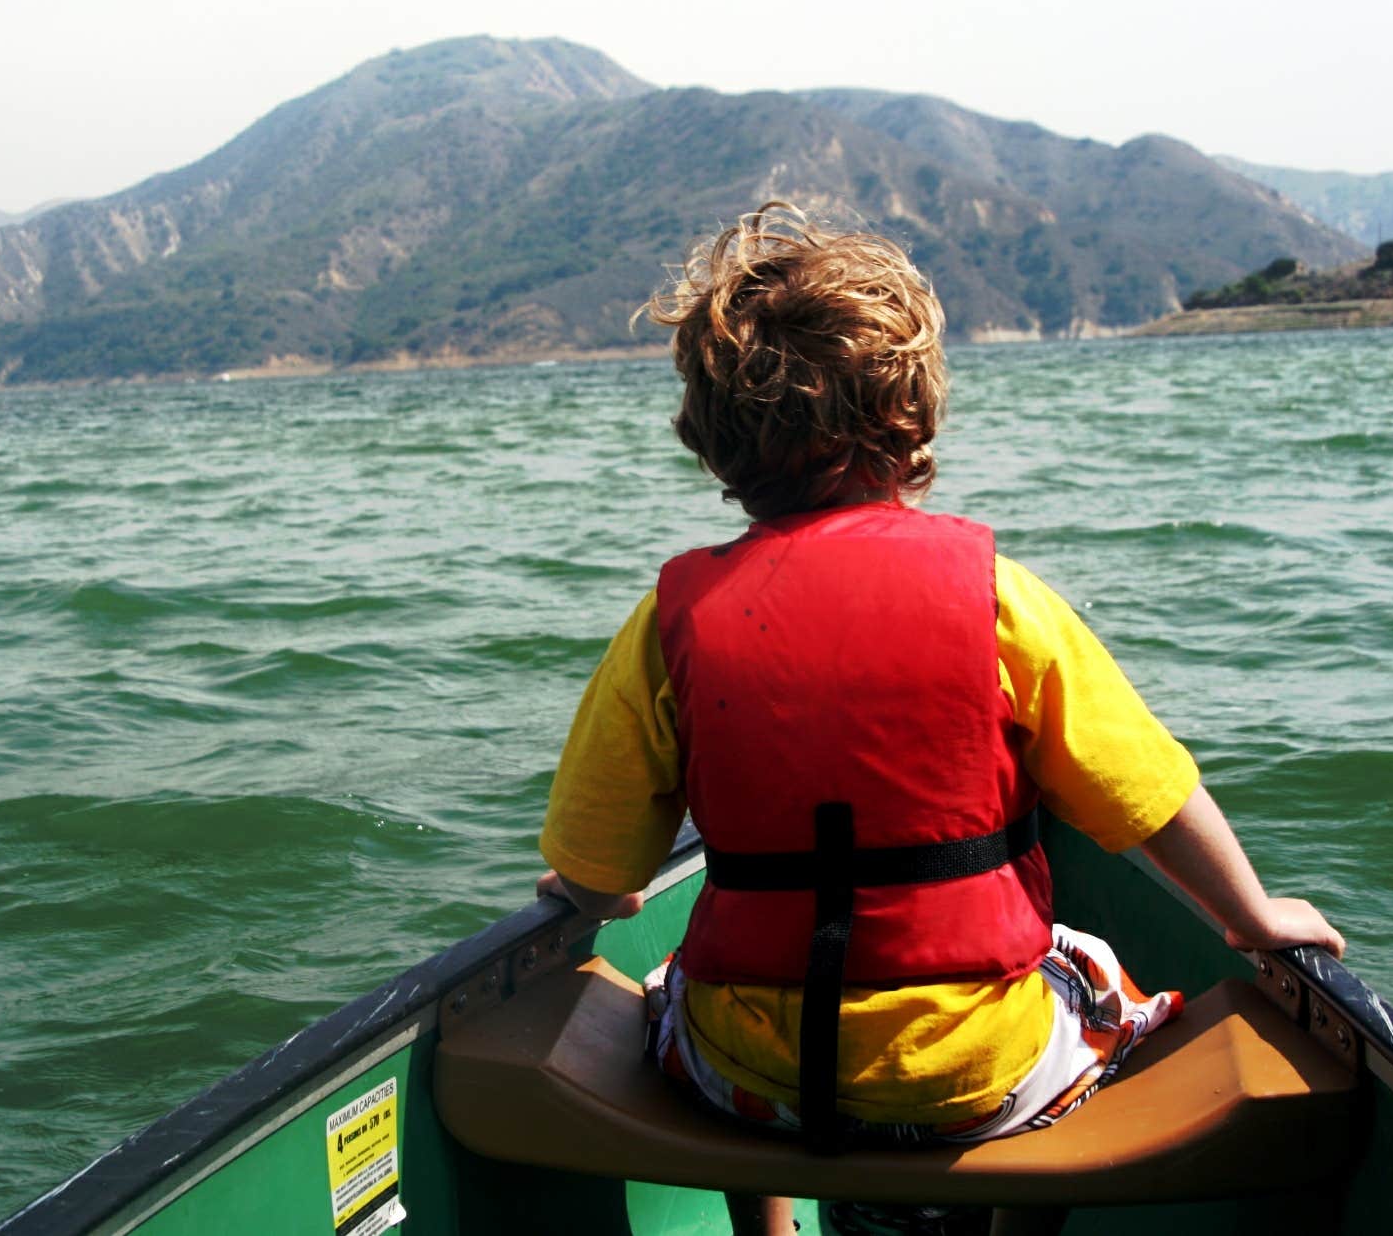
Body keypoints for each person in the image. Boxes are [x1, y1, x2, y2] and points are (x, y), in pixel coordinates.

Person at [537, 204, 1343, 1236]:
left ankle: (769, 1232)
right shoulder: (997, 598)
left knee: (680, 977)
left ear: (709, 437)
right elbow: (1147, 793)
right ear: (912, 416)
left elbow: (605, 884)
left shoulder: (667, 623)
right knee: (1087, 972)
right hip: (977, 1075)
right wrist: (1249, 914)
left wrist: (583, 887)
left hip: (747, 1077)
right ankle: (1013, 1221)